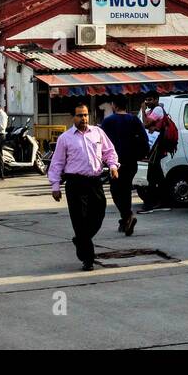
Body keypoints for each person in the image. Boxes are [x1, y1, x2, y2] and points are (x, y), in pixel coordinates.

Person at [48, 100, 120, 270]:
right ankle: (88, 259)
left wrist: (113, 166)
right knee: (79, 220)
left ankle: (80, 239)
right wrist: (55, 186)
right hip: (75, 183)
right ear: (73, 117)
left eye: (86, 115)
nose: (84, 118)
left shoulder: (97, 133)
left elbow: (109, 151)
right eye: (80, 115)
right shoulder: (65, 139)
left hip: (94, 182)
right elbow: (57, 163)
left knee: (98, 214)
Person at [100, 97, 148, 236]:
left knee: (116, 190)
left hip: (115, 163)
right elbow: (145, 140)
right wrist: (140, 155)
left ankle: (127, 215)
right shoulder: (134, 120)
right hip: (132, 162)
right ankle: (125, 220)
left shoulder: (108, 121)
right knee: (126, 190)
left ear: (114, 105)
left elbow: (100, 142)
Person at [140, 95, 177, 211]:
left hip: (158, 145)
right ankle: (164, 201)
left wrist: (142, 109)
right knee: (157, 175)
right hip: (155, 145)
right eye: (146, 99)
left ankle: (149, 204)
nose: (147, 101)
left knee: (152, 175)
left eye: (150, 99)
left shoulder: (157, 110)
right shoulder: (152, 110)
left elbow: (145, 124)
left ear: (156, 100)